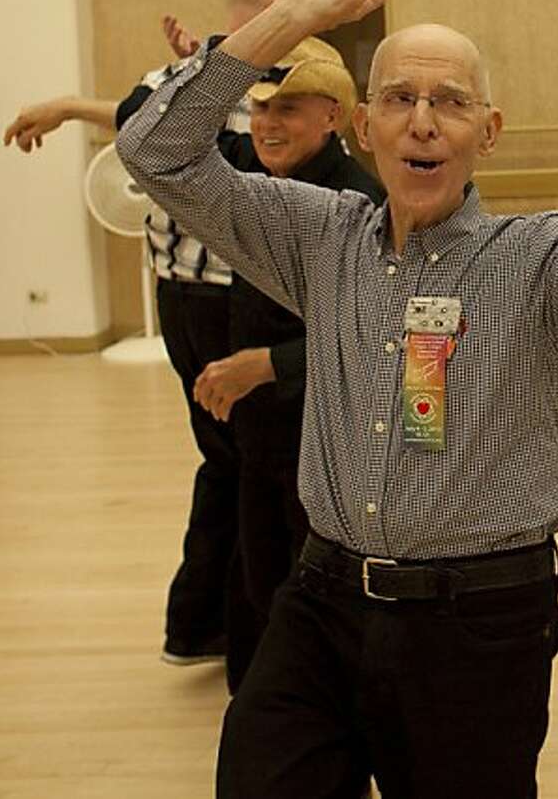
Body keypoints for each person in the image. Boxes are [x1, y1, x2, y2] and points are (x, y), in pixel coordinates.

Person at [117, 0, 558, 798]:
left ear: (487, 132)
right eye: (399, 97)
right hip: (319, 603)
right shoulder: (320, 235)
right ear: (365, 127)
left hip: (478, 626)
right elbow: (154, 152)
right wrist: (290, 22)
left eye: (451, 101)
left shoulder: (535, 258)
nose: (423, 119)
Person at [2, 0, 297, 678]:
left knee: (223, 461)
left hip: (177, 299)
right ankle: (235, 632)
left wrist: (71, 104)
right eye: (295, 5)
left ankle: (197, 624)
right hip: (229, 299)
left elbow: (136, 117)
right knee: (247, 466)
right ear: (267, 13)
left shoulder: (183, 79)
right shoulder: (264, 87)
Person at [185, 36, 383, 688]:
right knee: (259, 581)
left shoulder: (360, 202)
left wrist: (269, 364)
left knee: (315, 596)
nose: (268, 124)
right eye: (260, 109)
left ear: (332, 115)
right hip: (260, 439)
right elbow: (154, 137)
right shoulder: (259, 178)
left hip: (327, 446)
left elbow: (380, 329)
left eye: (288, 108)